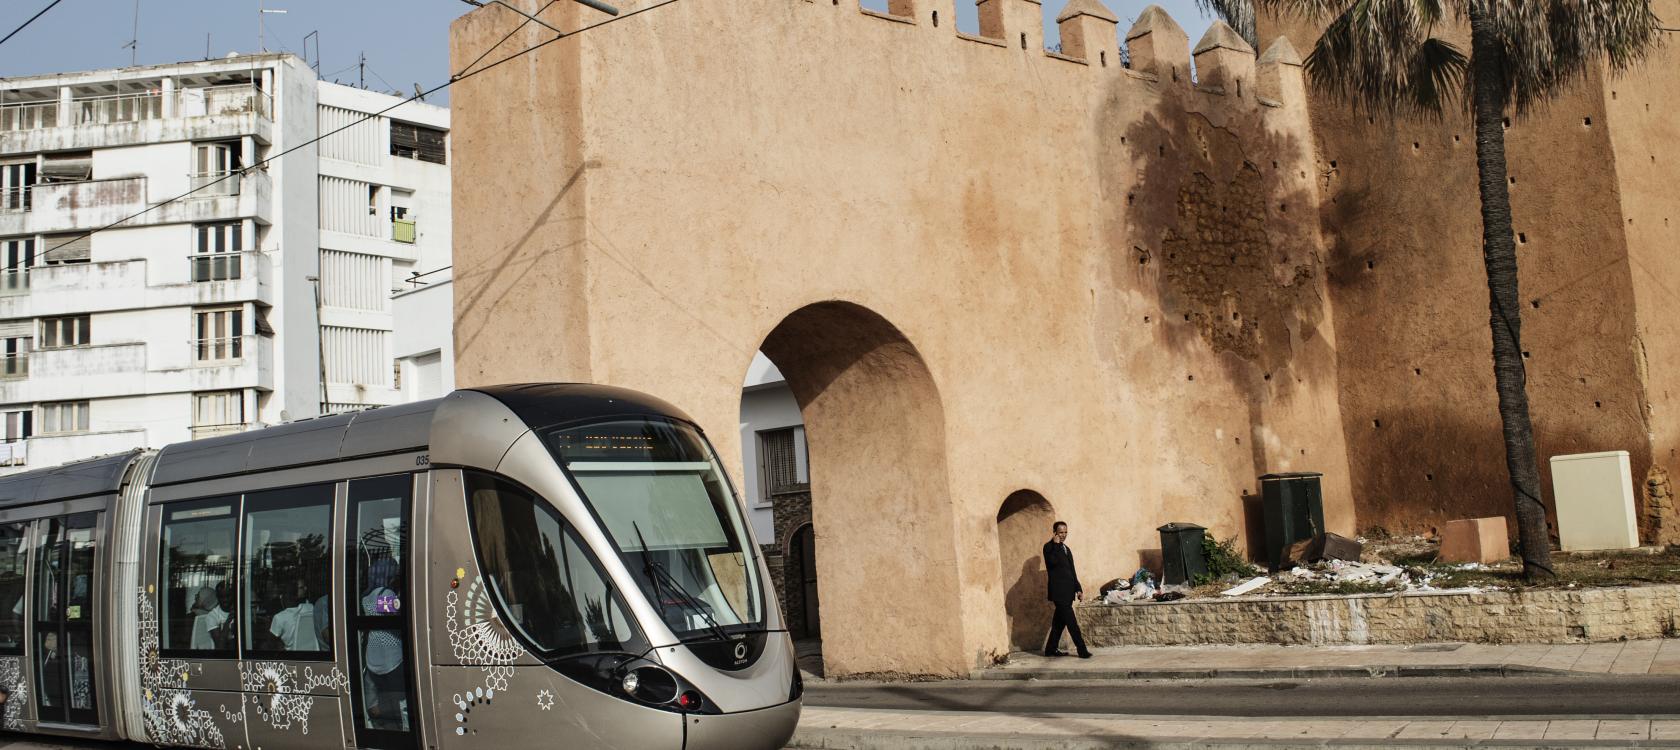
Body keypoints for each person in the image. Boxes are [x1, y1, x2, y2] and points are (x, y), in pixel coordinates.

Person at [1042, 521, 1091, 659]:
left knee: (1059, 623)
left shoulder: (1066, 549)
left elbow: (1071, 571)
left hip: (1069, 592)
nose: (1063, 535)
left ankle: (1050, 649)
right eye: (1061, 532)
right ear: (1054, 533)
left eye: (1065, 532)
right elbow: (1052, 563)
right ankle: (1082, 650)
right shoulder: (1049, 547)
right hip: (1059, 593)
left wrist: (1078, 588)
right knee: (1072, 623)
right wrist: (1056, 545)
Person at [189, 587, 229, 651]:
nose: (195, 597)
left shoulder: (193, 618)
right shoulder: (216, 615)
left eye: (198, 596)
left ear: (206, 601)